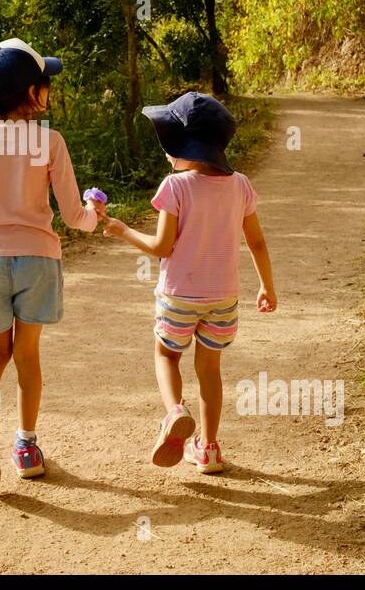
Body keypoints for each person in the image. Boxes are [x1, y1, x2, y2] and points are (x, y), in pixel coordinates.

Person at [0, 38, 103, 481]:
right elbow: (75, 216)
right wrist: (97, 216)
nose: (49, 89)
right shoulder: (48, 142)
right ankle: (26, 450)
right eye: (45, 83)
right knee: (28, 356)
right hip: (36, 259)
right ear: (31, 94)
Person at [101, 92, 277, 474]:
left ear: (187, 146)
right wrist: (267, 286)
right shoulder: (241, 185)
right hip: (224, 298)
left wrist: (123, 230)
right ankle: (209, 448)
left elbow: (162, 247)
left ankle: (174, 413)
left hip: (179, 295)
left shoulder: (175, 187)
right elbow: (257, 242)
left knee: (166, 354)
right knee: (209, 370)